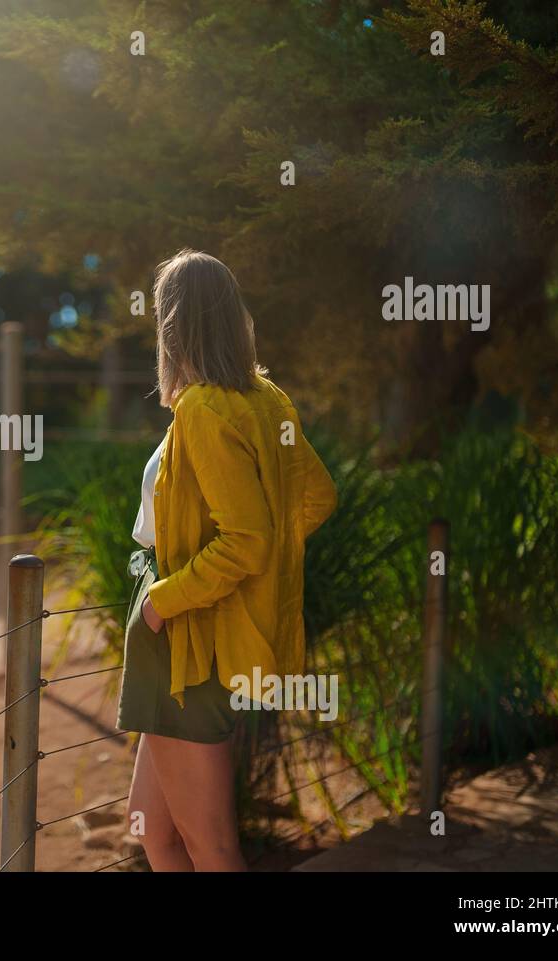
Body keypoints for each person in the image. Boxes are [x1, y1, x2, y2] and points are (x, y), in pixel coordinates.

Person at [118, 249, 337, 871]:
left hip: (184, 630)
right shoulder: (265, 398)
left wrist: (168, 600)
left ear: (171, 326)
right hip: (197, 624)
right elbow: (316, 498)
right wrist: (244, 588)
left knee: (210, 846)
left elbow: (248, 539)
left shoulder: (204, 410)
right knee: (155, 833)